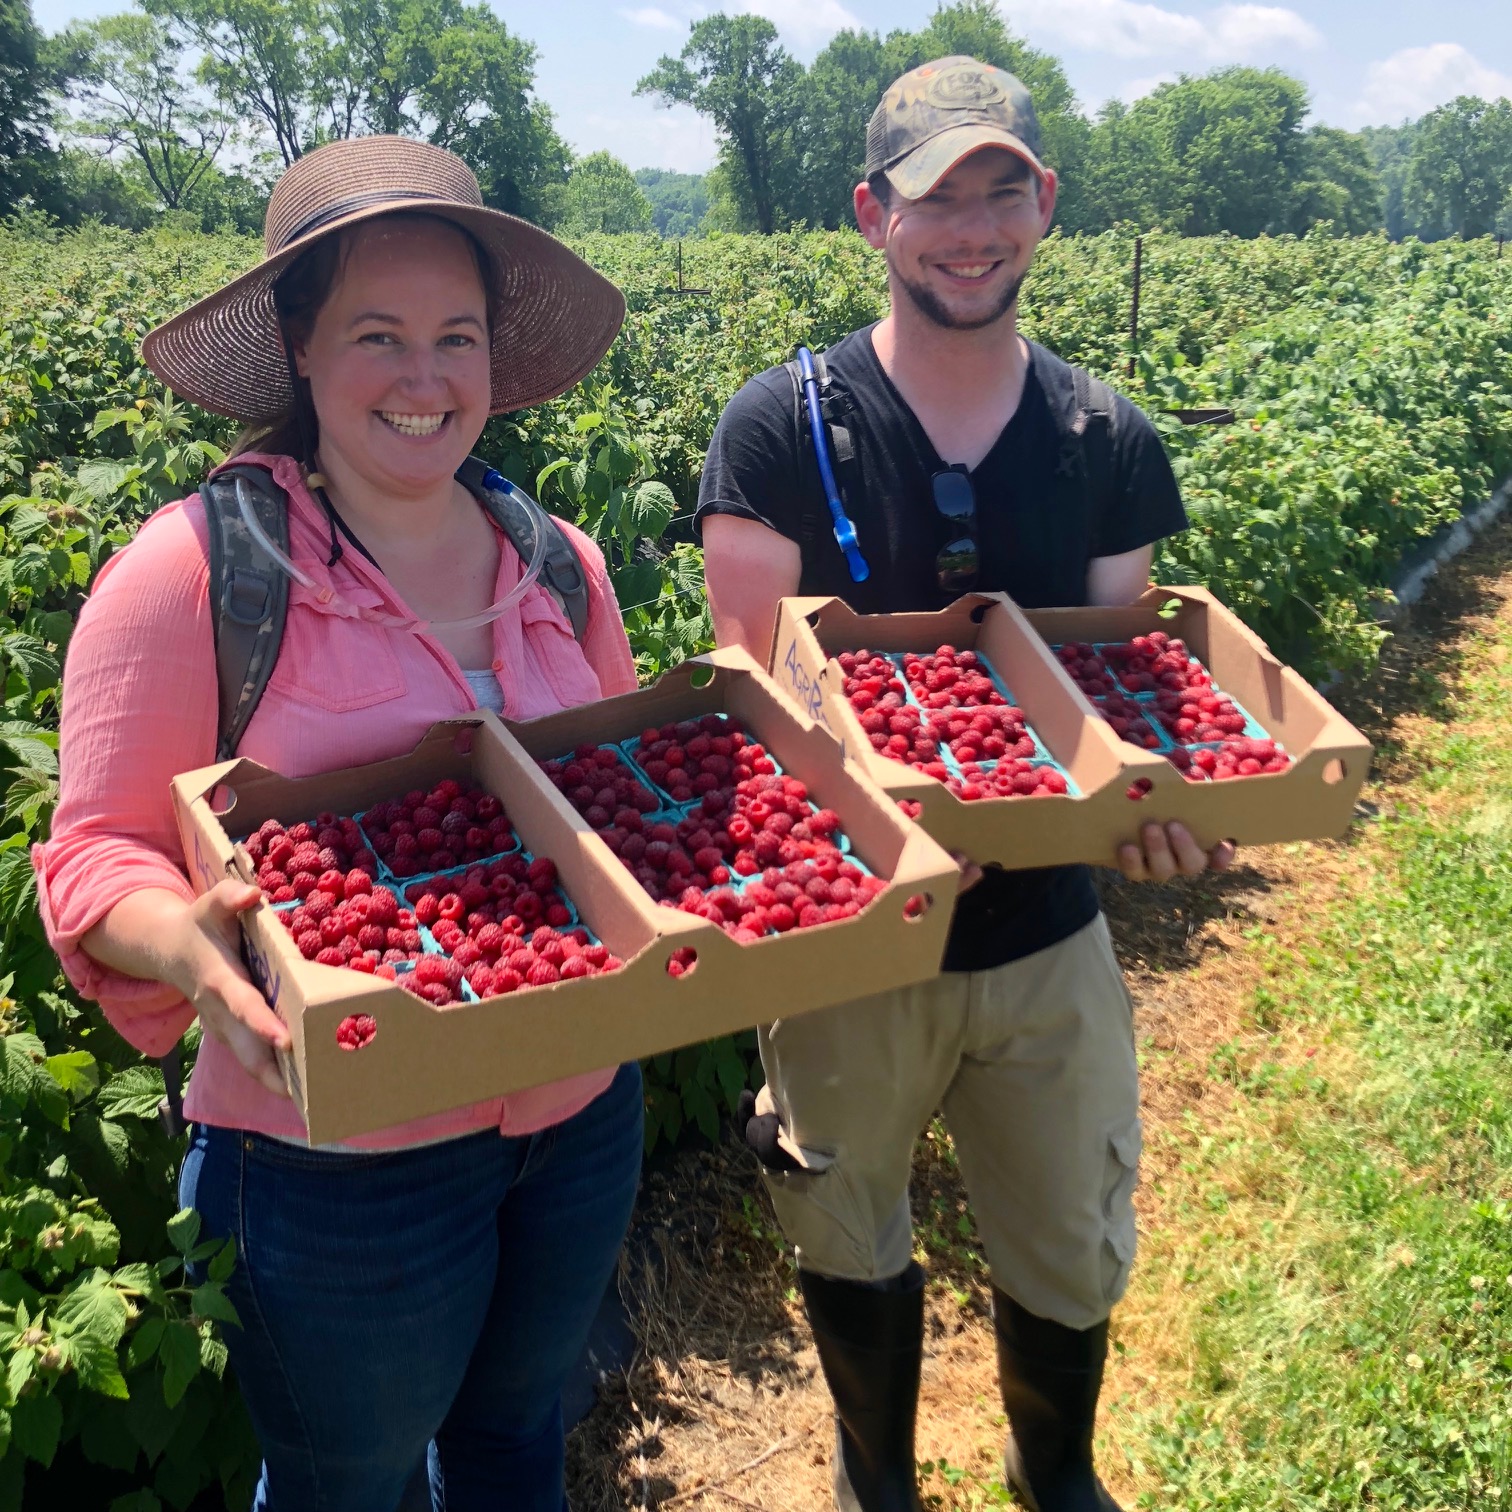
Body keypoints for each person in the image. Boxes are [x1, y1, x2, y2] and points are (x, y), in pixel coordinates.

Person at [33, 136, 644, 1512]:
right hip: (339, 1168)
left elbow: (613, 793)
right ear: (301, 348)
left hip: (579, 1112)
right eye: (378, 334)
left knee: (516, 1437)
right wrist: (183, 941)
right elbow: (96, 854)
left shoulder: (561, 563)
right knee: (347, 1486)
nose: (424, 378)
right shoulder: (191, 577)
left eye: (455, 337)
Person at [697, 58, 1233, 1512]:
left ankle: (1054, 1467)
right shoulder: (776, 431)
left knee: (1070, 1227)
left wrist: (1158, 810)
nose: (972, 228)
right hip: (850, 938)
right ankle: (878, 1471)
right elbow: (755, 688)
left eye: (1004, 192)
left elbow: (1120, 684)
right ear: (876, 214)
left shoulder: (1105, 439)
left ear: (1045, 207)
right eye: (938, 198)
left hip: (1049, 932)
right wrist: (886, 807)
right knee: (840, 1217)